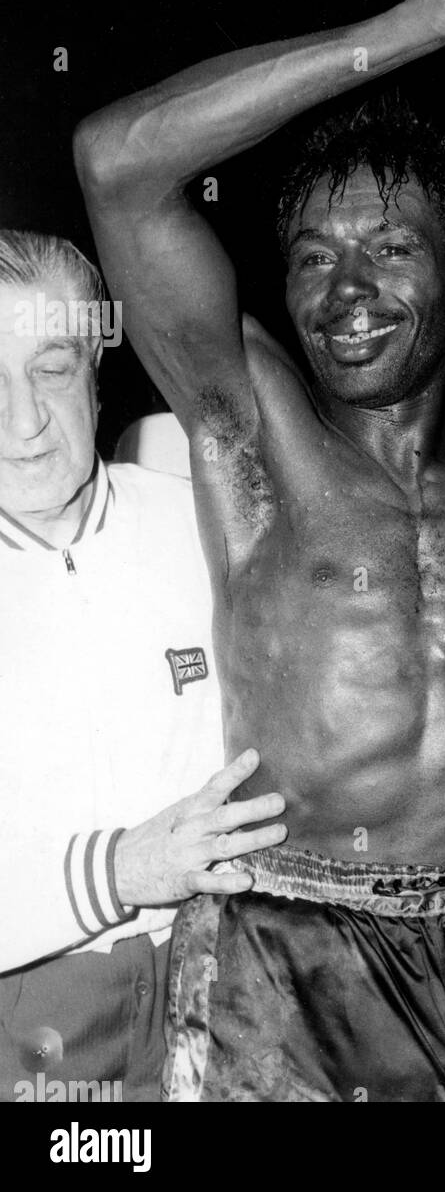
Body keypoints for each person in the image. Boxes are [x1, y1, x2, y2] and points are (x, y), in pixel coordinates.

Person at [74, 0, 445, 1102]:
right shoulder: (251, 431)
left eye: (388, 250)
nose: (346, 293)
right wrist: (417, 22)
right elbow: (117, 162)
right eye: (312, 256)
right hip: (296, 954)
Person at [0, 230, 285, 1103]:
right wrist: (121, 870)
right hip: (32, 1014)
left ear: (96, 368)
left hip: (224, 974)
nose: (24, 420)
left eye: (51, 368)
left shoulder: (203, 523)